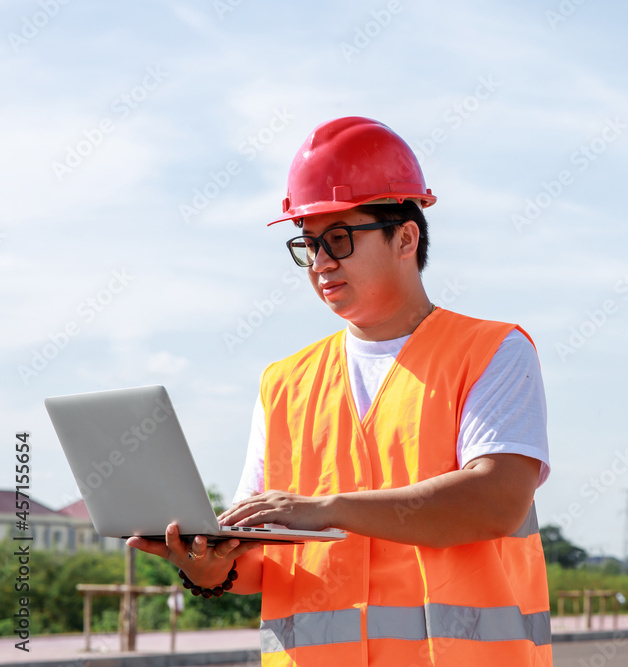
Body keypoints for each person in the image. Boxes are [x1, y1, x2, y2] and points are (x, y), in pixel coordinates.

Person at [128, 116, 552, 666]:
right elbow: (260, 557)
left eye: (339, 239)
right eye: (308, 245)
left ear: (405, 236)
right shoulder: (283, 383)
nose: (321, 263)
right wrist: (210, 568)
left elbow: (495, 500)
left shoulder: (493, 352)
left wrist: (324, 509)